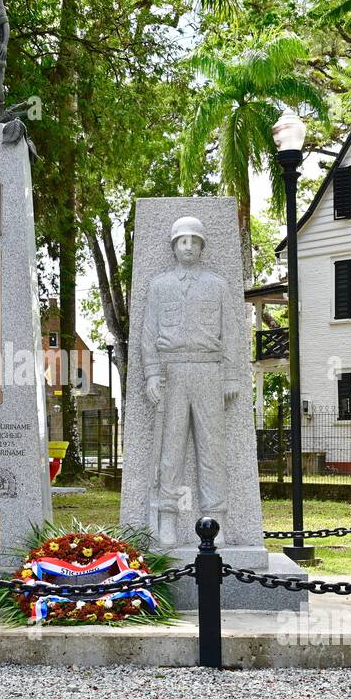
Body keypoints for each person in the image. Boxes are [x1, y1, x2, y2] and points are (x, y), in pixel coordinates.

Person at [140, 216, 240, 547]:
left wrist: (229, 375)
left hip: (208, 371)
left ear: (201, 246)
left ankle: (216, 518)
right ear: (173, 246)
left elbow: (231, 334)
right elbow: (148, 334)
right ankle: (166, 518)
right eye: (182, 241)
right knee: (171, 450)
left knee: (211, 448)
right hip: (171, 373)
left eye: (193, 241)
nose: (188, 246)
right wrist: (153, 372)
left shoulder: (218, 286)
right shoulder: (159, 286)